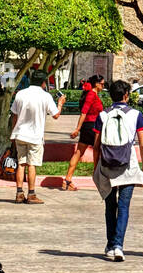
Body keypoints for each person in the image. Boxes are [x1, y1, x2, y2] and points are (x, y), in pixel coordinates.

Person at [92, 79, 143, 260]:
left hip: (107, 165)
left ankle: (109, 245)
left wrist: (96, 167)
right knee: (124, 206)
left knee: (110, 207)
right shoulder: (136, 115)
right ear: (126, 95)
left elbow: (96, 145)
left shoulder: (103, 115)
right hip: (128, 165)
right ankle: (118, 245)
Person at [9, 70, 61, 205]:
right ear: (44, 83)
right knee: (32, 164)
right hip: (35, 136)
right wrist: (60, 103)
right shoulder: (45, 96)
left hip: (20, 133)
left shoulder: (21, 94)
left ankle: (19, 193)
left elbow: (14, 114)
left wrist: (13, 132)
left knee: (21, 163)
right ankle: (31, 194)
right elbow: (55, 115)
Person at [62, 74, 105, 190]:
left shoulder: (93, 94)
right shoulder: (92, 95)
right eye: (102, 84)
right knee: (97, 151)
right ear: (96, 84)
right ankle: (97, 178)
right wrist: (77, 129)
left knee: (79, 152)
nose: (103, 86)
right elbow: (84, 112)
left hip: (89, 126)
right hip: (92, 127)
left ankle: (68, 179)